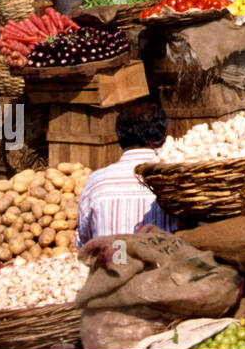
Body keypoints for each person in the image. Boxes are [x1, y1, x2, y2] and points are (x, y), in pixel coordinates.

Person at [75, 100, 176, 245]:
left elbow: (84, 240)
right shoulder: (176, 181)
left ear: (119, 137)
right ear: (164, 136)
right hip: (164, 265)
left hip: (112, 264)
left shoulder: (96, 182)